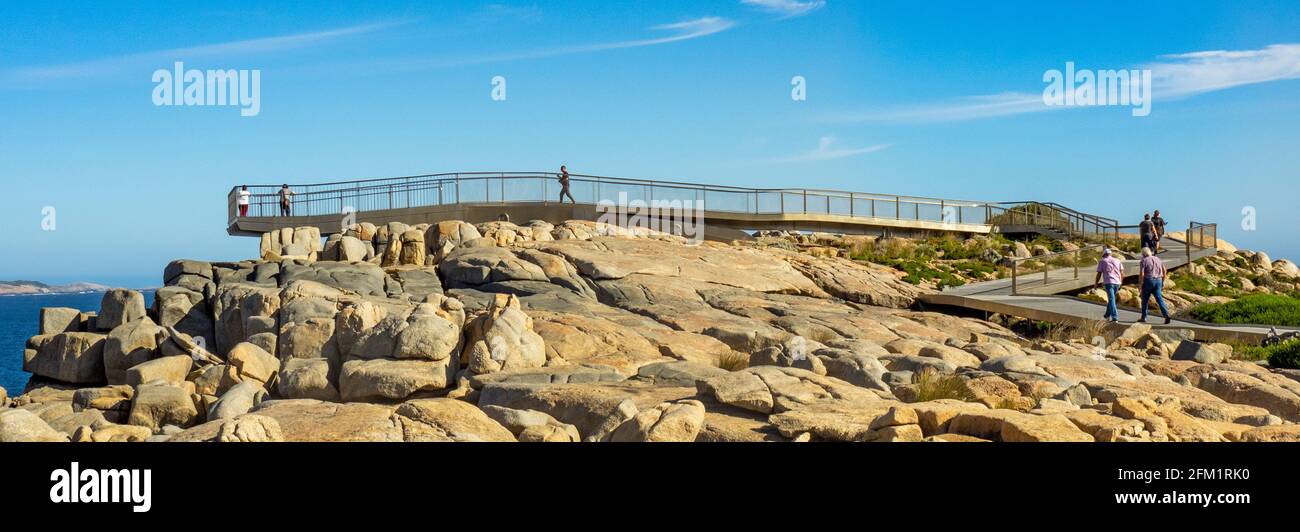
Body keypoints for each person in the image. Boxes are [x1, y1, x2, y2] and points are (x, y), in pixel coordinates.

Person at [1137, 247, 1172, 324]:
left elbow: (1142, 274)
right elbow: (1164, 270)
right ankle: (1166, 315)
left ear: (1143, 254)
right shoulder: (1157, 259)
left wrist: (1140, 284)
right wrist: (1162, 281)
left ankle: (1144, 317)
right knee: (1159, 299)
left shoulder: (1143, 260)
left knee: (1145, 299)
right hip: (1158, 280)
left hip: (1148, 280)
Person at [1093, 247, 1124, 322]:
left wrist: (1096, 284)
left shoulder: (1102, 261)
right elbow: (1122, 273)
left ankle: (1114, 317)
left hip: (1109, 282)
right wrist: (1121, 282)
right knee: (1112, 299)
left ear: (1104, 255)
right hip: (1117, 282)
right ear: (1110, 254)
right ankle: (1107, 315)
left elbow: (1099, 274)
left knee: (1111, 299)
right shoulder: (1118, 260)